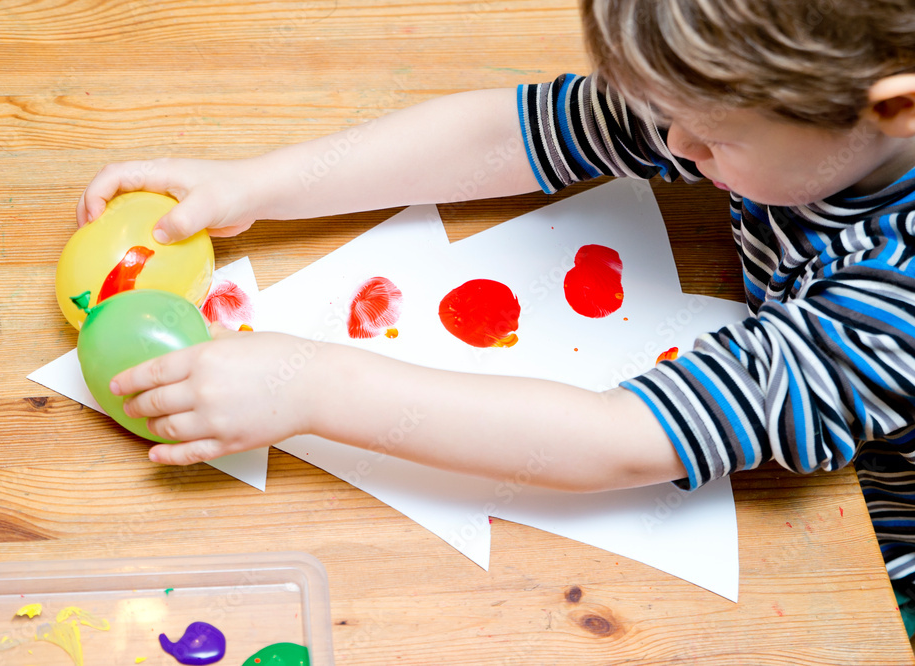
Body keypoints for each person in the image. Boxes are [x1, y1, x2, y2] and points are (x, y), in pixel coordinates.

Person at [77, 0, 915, 623]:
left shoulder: (896, 302)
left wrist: (313, 388)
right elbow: (509, 134)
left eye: (714, 137)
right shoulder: (771, 94)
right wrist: (257, 185)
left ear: (896, 107)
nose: (673, 148)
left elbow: (622, 440)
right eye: (668, 115)